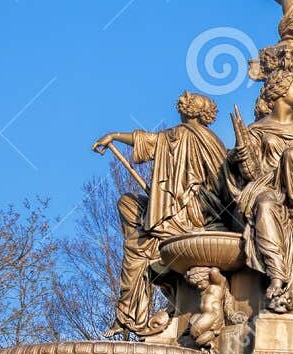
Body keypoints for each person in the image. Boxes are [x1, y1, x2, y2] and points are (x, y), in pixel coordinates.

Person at [93, 92, 229, 336]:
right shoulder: (212, 140)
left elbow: (150, 141)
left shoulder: (182, 134)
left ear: (190, 110)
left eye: (184, 103)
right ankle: (146, 246)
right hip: (187, 211)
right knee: (129, 204)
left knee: (137, 246)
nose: (181, 105)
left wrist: (114, 136)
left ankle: (147, 247)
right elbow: (149, 141)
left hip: (189, 212)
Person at [228, 71, 293, 312]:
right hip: (268, 187)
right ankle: (277, 275)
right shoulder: (257, 129)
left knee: (292, 154)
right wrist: (239, 156)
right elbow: (249, 171)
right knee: (264, 205)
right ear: (282, 92)